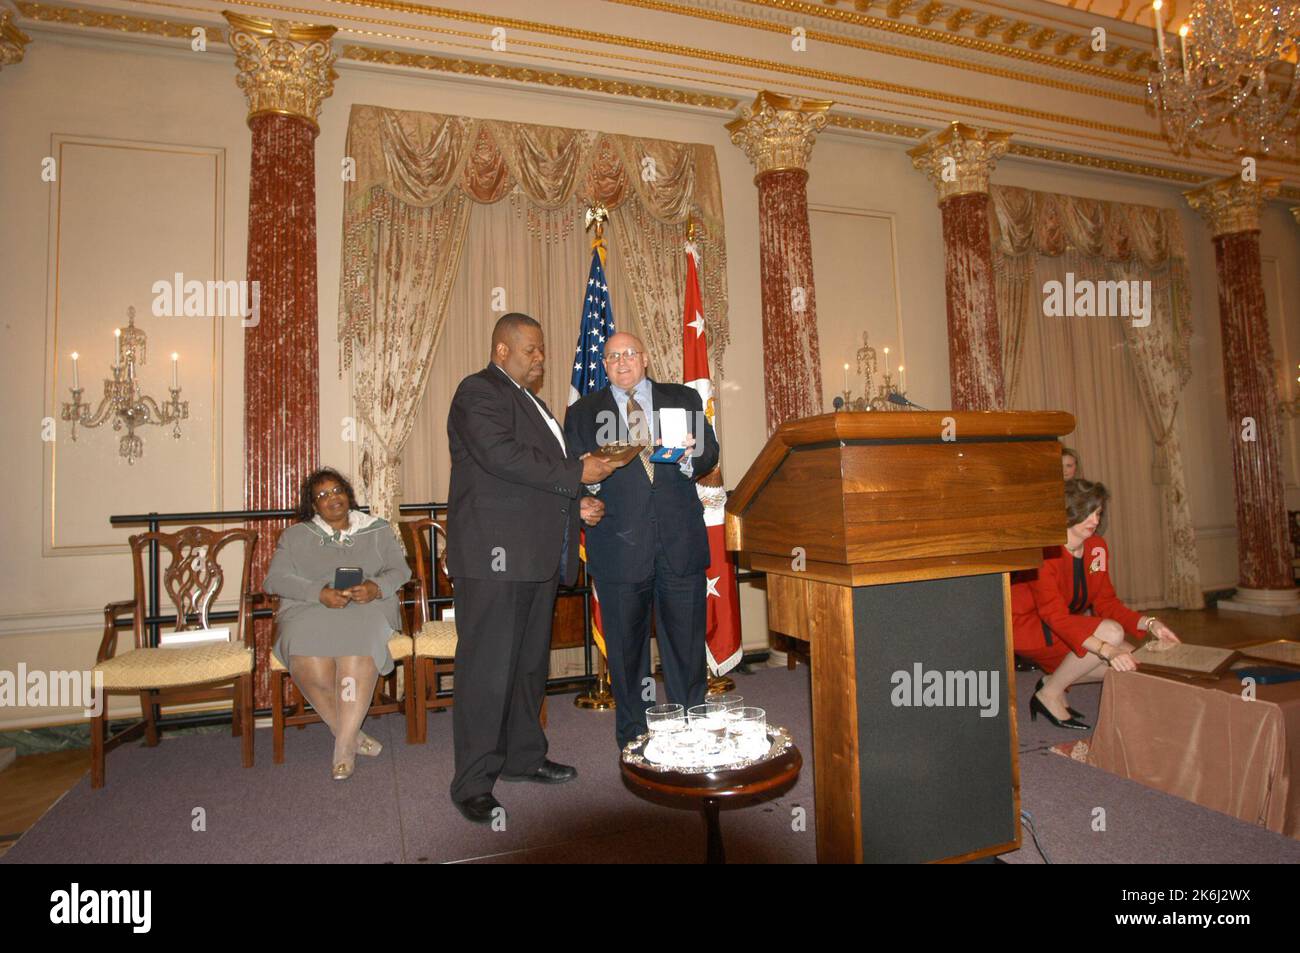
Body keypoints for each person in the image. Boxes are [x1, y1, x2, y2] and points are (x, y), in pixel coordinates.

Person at [445, 312, 621, 824]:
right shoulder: (477, 392)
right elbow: (502, 458)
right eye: (531, 349)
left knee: (526, 668)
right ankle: (473, 781)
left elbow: (536, 484)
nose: (540, 357)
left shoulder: (536, 405)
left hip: (536, 557)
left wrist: (577, 505)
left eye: (543, 349)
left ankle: (523, 758)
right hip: (493, 559)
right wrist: (576, 471)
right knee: (486, 672)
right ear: (502, 350)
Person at [563, 331, 720, 749]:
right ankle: (634, 737)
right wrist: (583, 500)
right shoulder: (583, 412)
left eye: (629, 353)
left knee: (686, 646)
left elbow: (709, 454)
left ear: (645, 359)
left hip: (679, 542)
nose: (622, 362)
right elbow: (568, 472)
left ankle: (693, 730)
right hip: (617, 545)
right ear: (604, 364)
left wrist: (689, 453)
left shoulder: (682, 399)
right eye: (612, 356)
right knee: (626, 653)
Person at [264, 468, 411, 780]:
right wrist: (317, 593)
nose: (332, 498)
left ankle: (343, 748)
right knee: (310, 664)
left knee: (357, 648)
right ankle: (352, 735)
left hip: (366, 606)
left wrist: (376, 587)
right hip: (310, 608)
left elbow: (401, 570)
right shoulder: (295, 536)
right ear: (313, 506)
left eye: (337, 490)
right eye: (322, 495)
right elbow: (274, 579)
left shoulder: (377, 529)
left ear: (348, 494)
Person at [1011, 478, 1180, 730]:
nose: (1094, 520)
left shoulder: (1096, 548)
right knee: (1111, 635)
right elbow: (1054, 616)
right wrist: (1106, 649)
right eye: (1086, 513)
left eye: (1097, 512)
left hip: (1063, 625)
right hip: (1029, 627)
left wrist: (1150, 623)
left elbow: (1106, 602)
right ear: (1066, 513)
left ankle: (1051, 682)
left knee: (1134, 664)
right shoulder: (1044, 553)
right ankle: (1049, 694)